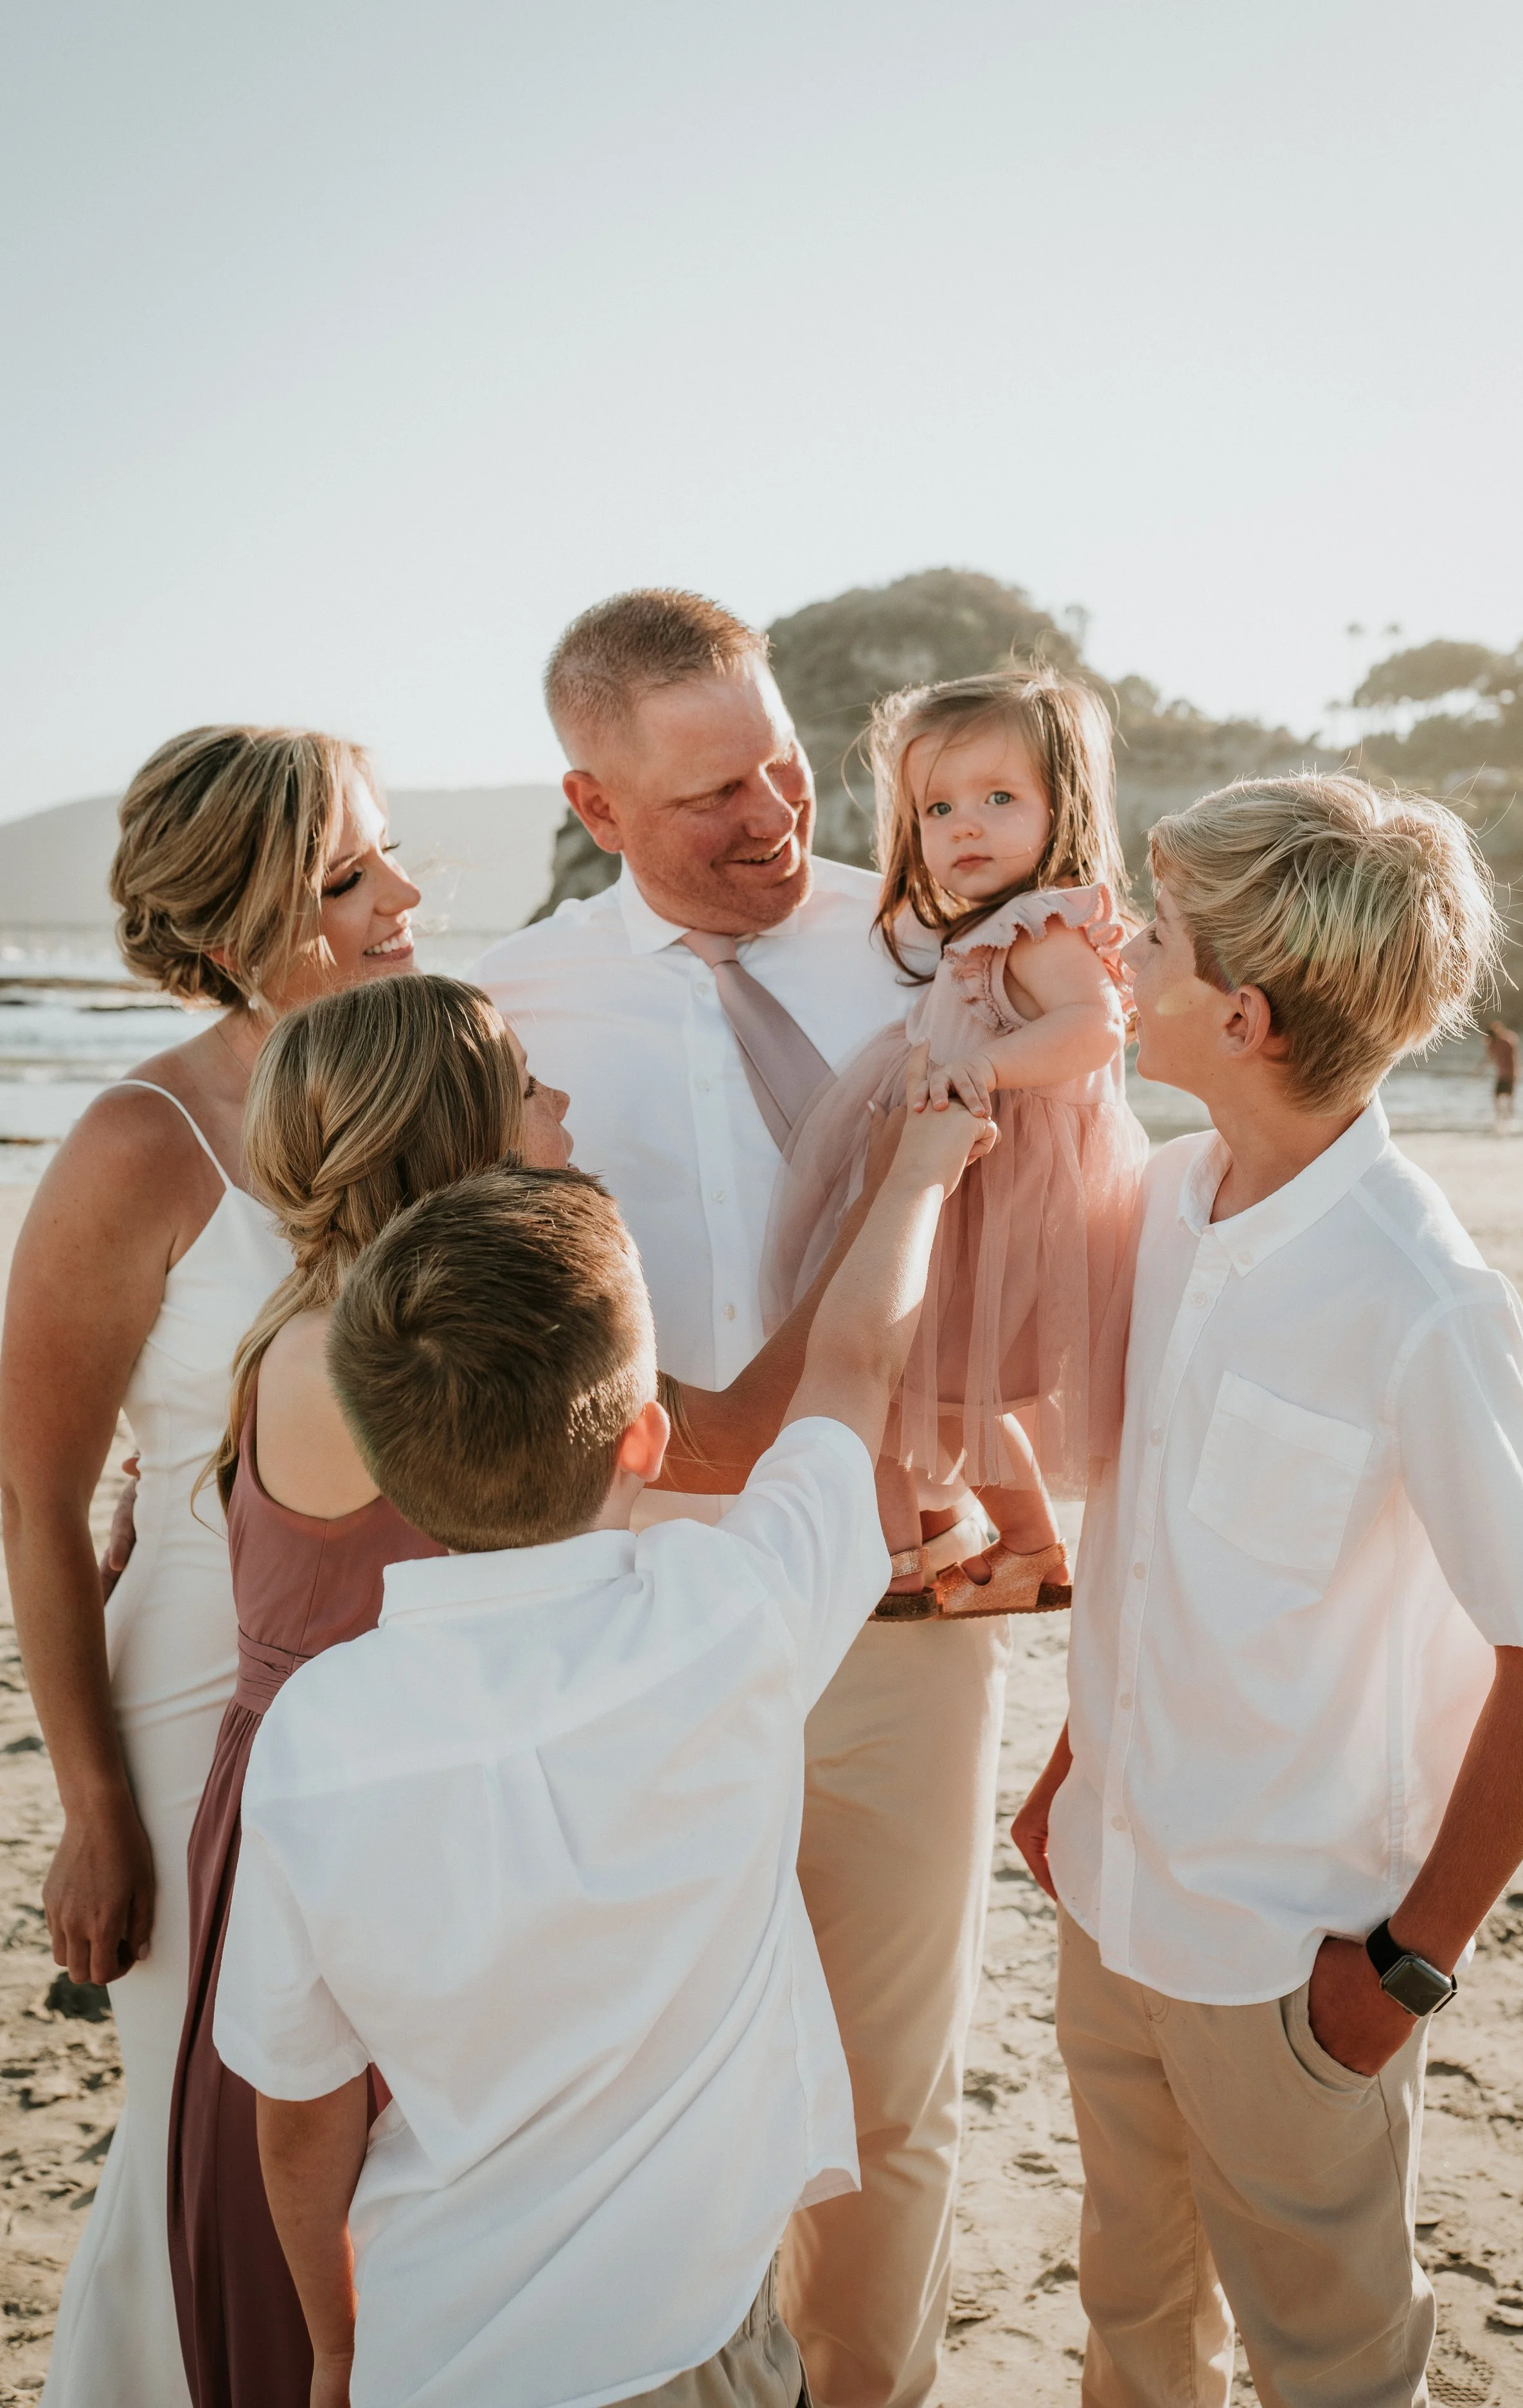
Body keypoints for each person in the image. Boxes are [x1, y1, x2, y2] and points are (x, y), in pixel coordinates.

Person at [169, 969, 914, 2407]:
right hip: (682, 2332)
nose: (559, 1099)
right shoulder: (725, 1618)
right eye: (530, 1083)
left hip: (431, 2340)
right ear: (641, 1437)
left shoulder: (321, 1730)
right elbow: (851, 1375)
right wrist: (915, 1170)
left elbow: (300, 2116)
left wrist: (334, 2342)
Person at [474, 590, 1012, 2407]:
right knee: (649, 2070)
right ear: (594, 801)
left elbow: (1050, 1240)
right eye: (708, 791)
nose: (770, 809)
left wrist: (1019, 1473)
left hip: (897, 1608)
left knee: (890, 2091)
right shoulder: (511, 1006)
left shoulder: (926, 942)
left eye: (780, 759)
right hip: (629, 1634)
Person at [1011, 775, 1523, 2408]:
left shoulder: (1423, 1297)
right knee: (1130, 2329)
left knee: (1334, 2372)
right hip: (1109, 1899)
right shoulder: (1169, 1205)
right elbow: (1166, 1557)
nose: (1124, 948)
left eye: (1157, 934)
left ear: (1246, 1015)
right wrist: (1076, 1779)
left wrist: (1402, 1968)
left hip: (1289, 1968)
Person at [0, 725, 420, 2408]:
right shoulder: (139, 1141)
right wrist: (93, 1808)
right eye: (347, 875)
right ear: (244, 922)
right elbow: (35, 1496)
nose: (400, 895)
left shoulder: (417, 1086)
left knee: (376, 2122)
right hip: (196, 1696)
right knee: (218, 2111)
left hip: (405, 1679)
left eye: (388, 854)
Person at [765, 667, 1146, 1616]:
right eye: (937, 807)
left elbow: (1095, 1028)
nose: (963, 826)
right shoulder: (973, 934)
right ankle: (923, 1547)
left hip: (998, 1194)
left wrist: (989, 1067)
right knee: (911, 1384)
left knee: (933, 1389)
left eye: (998, 798)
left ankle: (1015, 1545)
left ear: (1064, 809)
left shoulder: (1040, 927)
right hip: (951, 1187)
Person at [1483, 1014, 1520, 1128]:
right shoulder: (1495, 1043)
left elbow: (1514, 1058)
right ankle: (1504, 1119)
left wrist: (1516, 1074)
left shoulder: (1507, 1042)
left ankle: (1507, 1119)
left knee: (1505, 1097)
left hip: (1508, 1074)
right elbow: (1489, 1058)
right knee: (1501, 1097)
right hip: (1504, 1074)